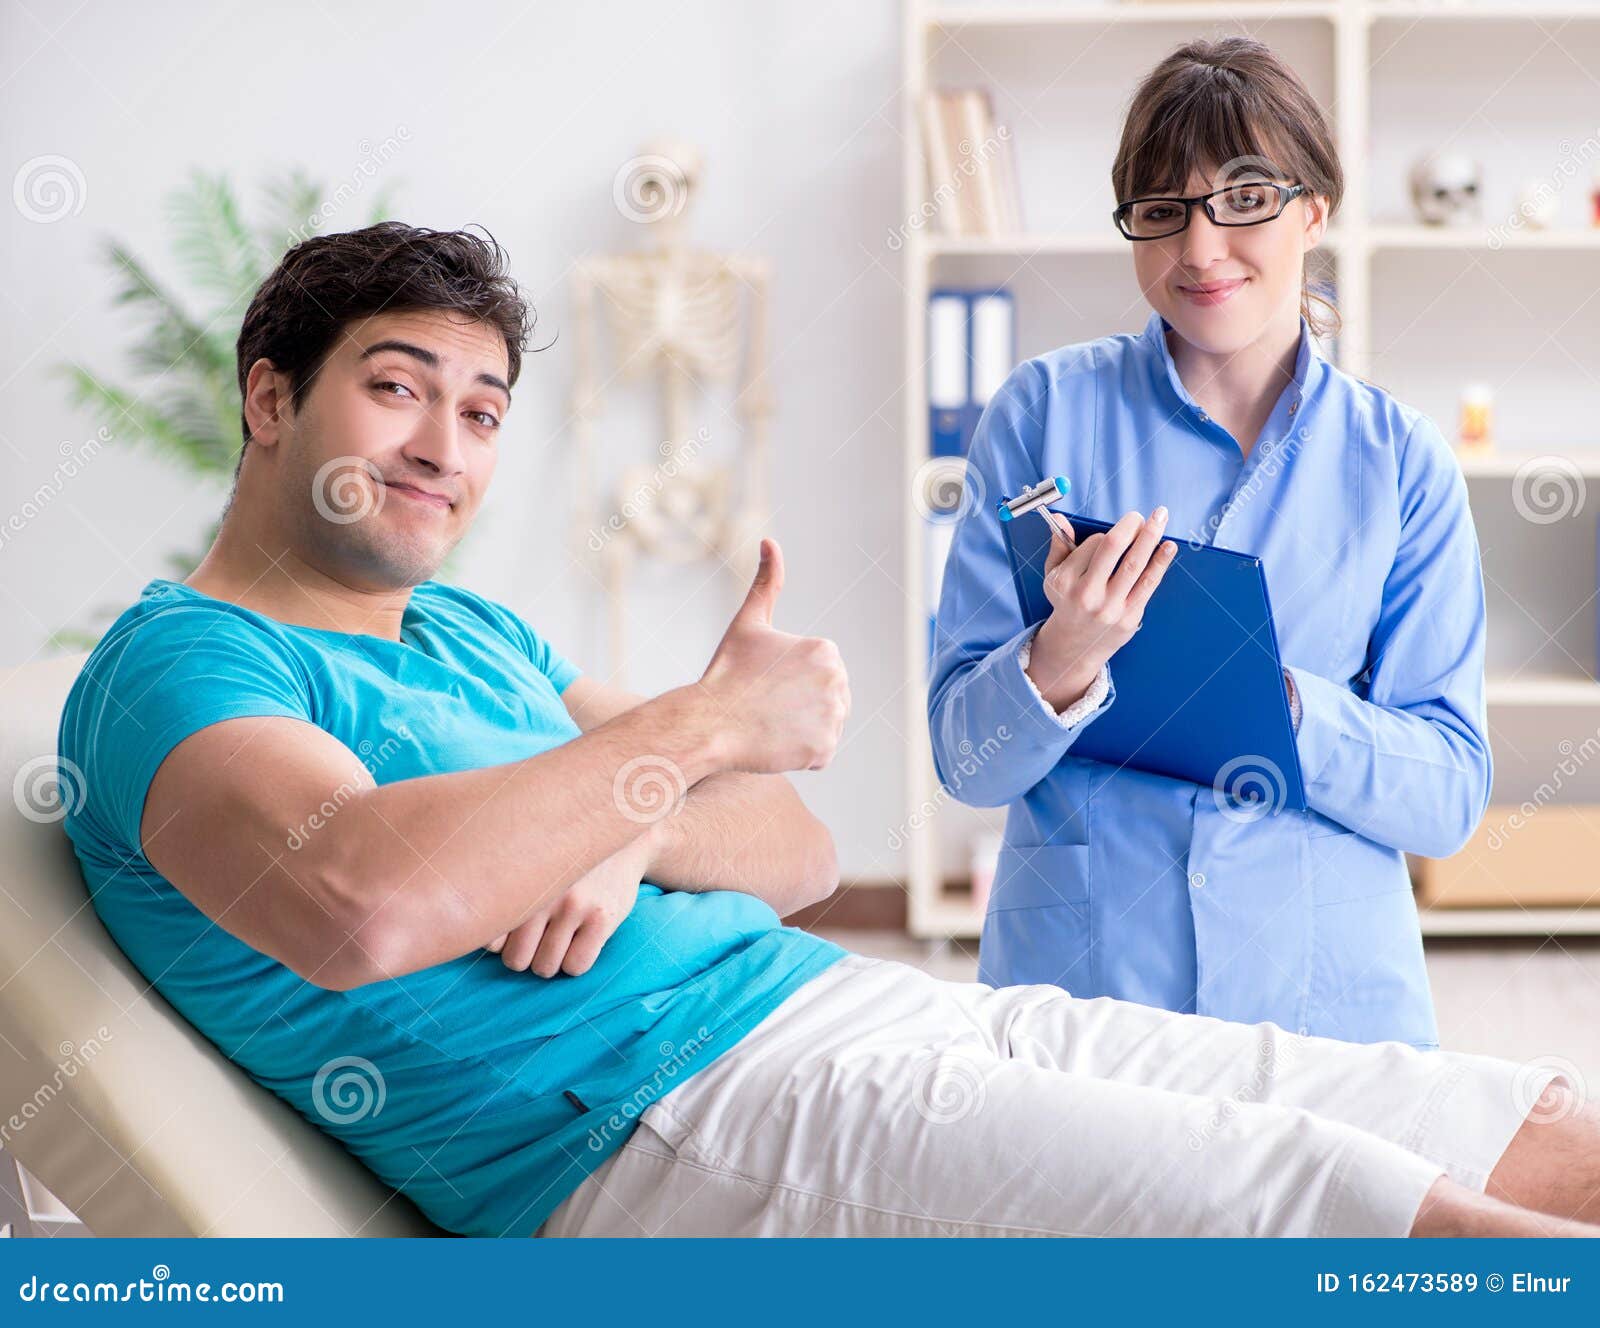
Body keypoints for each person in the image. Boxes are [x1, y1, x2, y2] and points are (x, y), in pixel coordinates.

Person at [58, 223, 1598, 1239]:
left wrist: (638, 815)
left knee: (1482, 1113)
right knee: (1341, 1203)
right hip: (658, 1123)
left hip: (848, 1007)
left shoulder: (474, 634)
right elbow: (360, 897)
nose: (443, 449)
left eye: (479, 414)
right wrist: (702, 724)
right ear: (270, 399)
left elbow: (792, 852)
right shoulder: (180, 667)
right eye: (397, 391)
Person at [928, 36, 1487, 1050]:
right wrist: (1056, 662)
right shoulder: (1038, 418)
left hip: (1328, 1018)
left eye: (1242, 200)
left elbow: (1447, 793)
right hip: (1086, 1004)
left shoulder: (1402, 463)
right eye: (1162, 212)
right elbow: (966, 761)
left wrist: (1275, 705)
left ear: (1314, 207)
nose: (1198, 249)